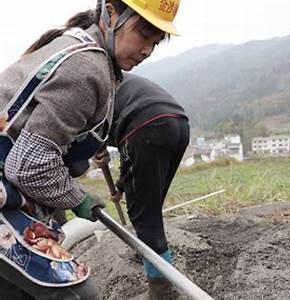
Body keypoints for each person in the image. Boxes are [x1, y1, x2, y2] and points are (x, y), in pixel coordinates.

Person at [0, 0, 180, 299]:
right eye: (143, 34)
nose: (147, 50)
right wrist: (77, 198)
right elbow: (29, 165)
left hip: (12, 194)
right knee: (78, 294)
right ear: (111, 13)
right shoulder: (86, 68)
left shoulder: (87, 55)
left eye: (156, 42)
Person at [94, 73, 189, 299]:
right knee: (150, 203)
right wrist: (120, 185)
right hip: (177, 121)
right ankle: (151, 251)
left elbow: (86, 140)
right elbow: (132, 165)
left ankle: (161, 292)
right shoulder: (109, 78)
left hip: (145, 126)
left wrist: (96, 149)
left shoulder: (87, 88)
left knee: (145, 220)